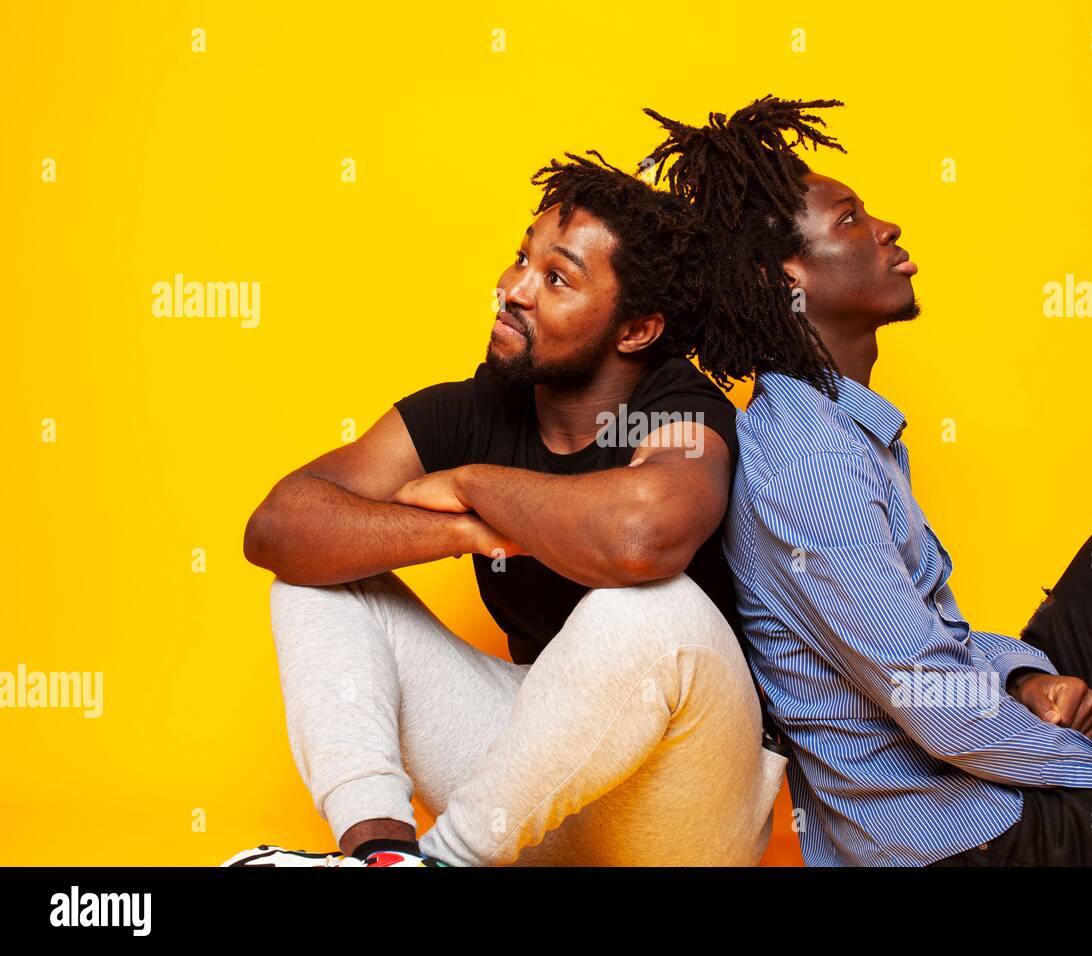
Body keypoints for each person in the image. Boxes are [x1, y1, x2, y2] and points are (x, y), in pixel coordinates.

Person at [641, 95, 1092, 865]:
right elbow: (936, 707)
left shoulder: (839, 429)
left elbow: (929, 645)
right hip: (960, 840)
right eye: (851, 220)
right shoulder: (810, 464)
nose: (888, 229)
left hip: (979, 769)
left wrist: (1023, 678)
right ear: (786, 277)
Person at [223, 151, 788, 867]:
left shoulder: (677, 404)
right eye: (520, 259)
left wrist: (471, 485)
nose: (512, 289)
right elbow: (278, 526)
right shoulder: (471, 406)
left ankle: (450, 859)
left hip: (682, 807)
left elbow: (645, 536)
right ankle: (383, 857)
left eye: (556, 278)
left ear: (637, 330)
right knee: (318, 581)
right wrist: (461, 530)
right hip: (533, 792)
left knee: (650, 603)